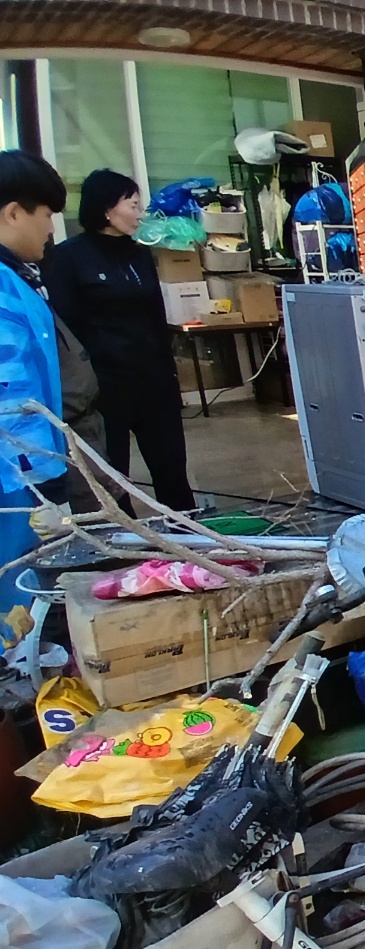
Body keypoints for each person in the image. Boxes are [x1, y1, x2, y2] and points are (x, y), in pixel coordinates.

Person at [44, 168, 196, 512]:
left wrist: (170, 372)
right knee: (112, 476)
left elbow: (156, 316)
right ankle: (127, 547)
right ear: (106, 208)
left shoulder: (140, 254)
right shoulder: (69, 257)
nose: (140, 213)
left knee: (171, 468)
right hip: (106, 387)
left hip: (153, 380)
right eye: (133, 204)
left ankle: (190, 541)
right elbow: (67, 327)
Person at [0, 151, 70, 612]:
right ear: (12, 213)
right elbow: (10, 395)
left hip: (20, 473)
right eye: (45, 215)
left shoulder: (16, 277)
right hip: (13, 480)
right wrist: (42, 479)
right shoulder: (3, 288)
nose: (50, 229)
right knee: (15, 582)